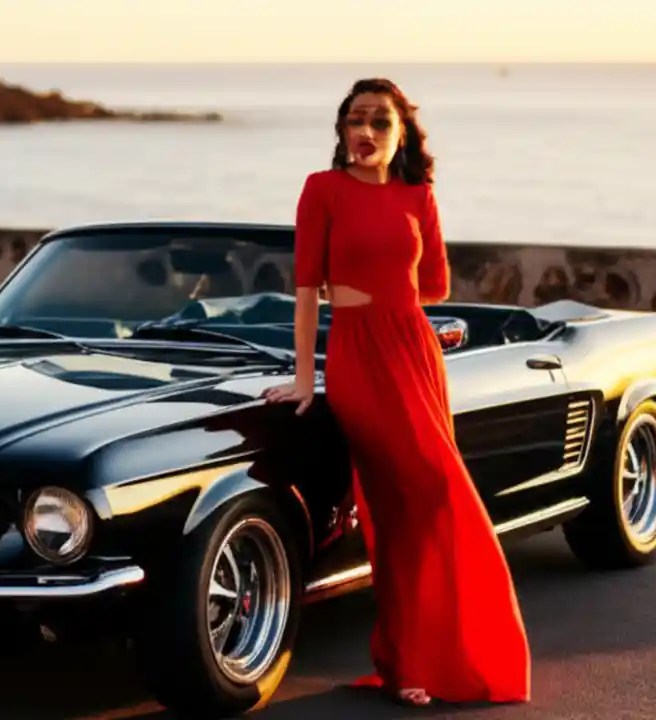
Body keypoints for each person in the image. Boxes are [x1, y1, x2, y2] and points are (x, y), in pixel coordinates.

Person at [262, 78, 531, 707]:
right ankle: (409, 660)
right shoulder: (321, 190)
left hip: (415, 354)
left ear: (401, 132)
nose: (366, 132)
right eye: (355, 120)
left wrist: (386, 292)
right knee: (405, 499)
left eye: (381, 122)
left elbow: (433, 284)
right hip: (358, 357)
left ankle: (432, 657)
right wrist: (307, 378)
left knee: (431, 501)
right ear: (341, 131)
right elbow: (306, 291)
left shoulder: (419, 195)